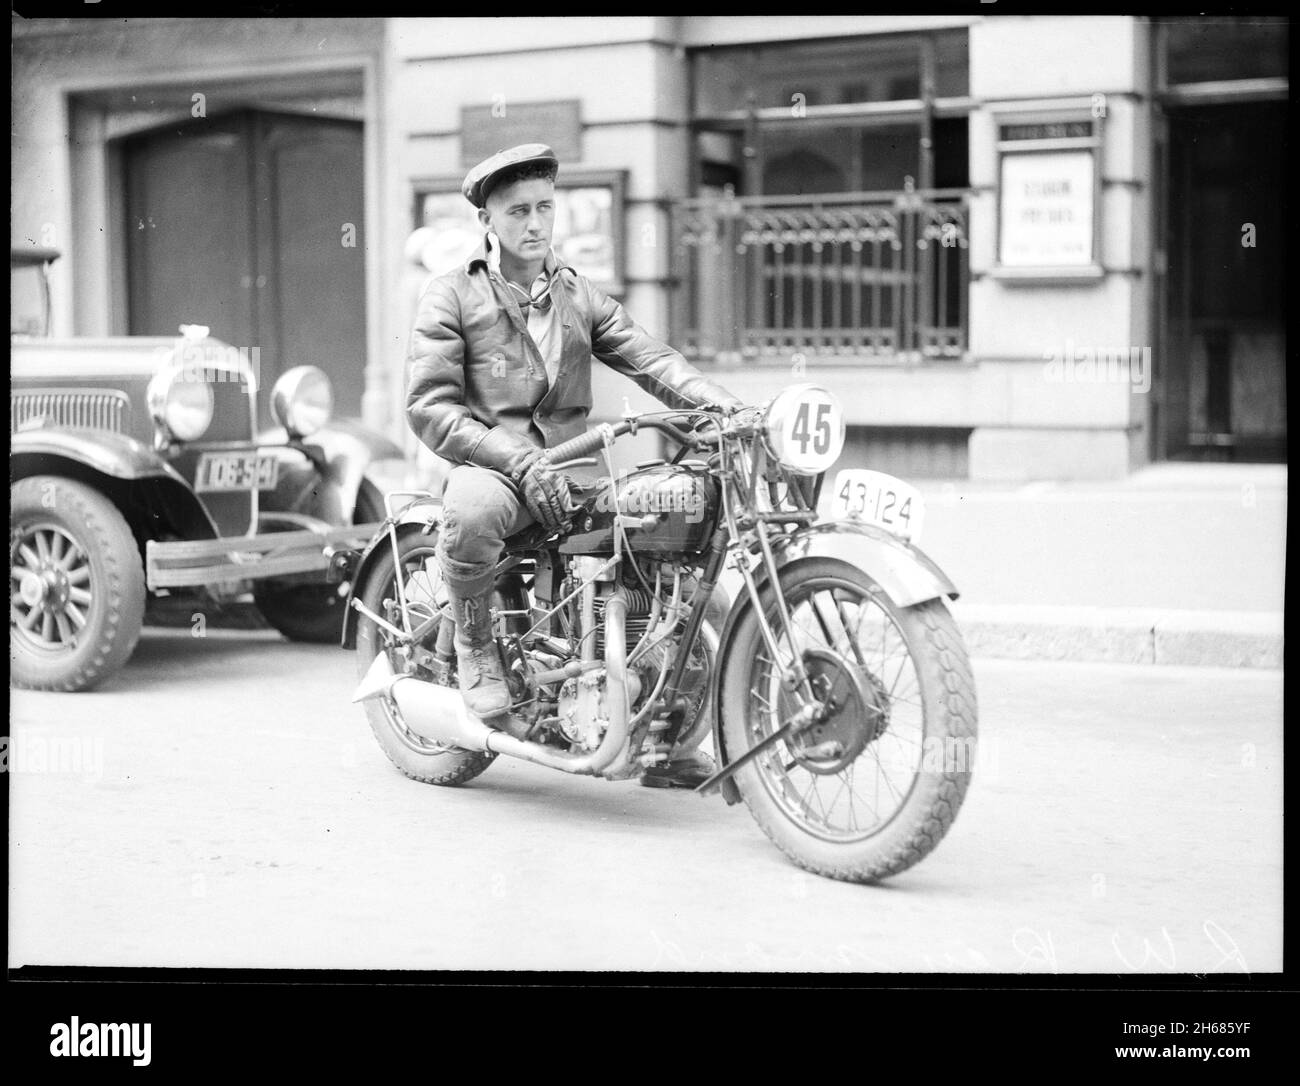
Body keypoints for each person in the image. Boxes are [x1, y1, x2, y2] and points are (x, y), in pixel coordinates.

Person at [405, 143, 741, 788]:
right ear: (488, 221)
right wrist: (518, 460)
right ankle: (476, 647)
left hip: (574, 468)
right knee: (472, 511)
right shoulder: (451, 295)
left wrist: (725, 408)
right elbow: (430, 409)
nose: (534, 224)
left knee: (665, 531)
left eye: (544, 209)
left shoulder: (578, 296)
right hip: (493, 465)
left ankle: (662, 730)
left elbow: (652, 360)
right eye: (517, 211)